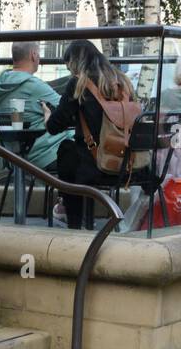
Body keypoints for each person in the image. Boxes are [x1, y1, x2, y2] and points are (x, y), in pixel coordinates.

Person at [43, 39, 138, 230]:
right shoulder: (122, 82)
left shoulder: (78, 84)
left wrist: (47, 116)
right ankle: (82, 220)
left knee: (66, 151)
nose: (70, 72)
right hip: (128, 164)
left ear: (75, 63)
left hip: (95, 167)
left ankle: (74, 223)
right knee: (74, 153)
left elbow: (54, 127)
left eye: (69, 67)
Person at [0, 41, 69, 172]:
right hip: (44, 156)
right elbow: (68, 107)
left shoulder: (0, 84)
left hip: (12, 155)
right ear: (33, 55)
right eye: (39, 54)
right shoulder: (33, 85)